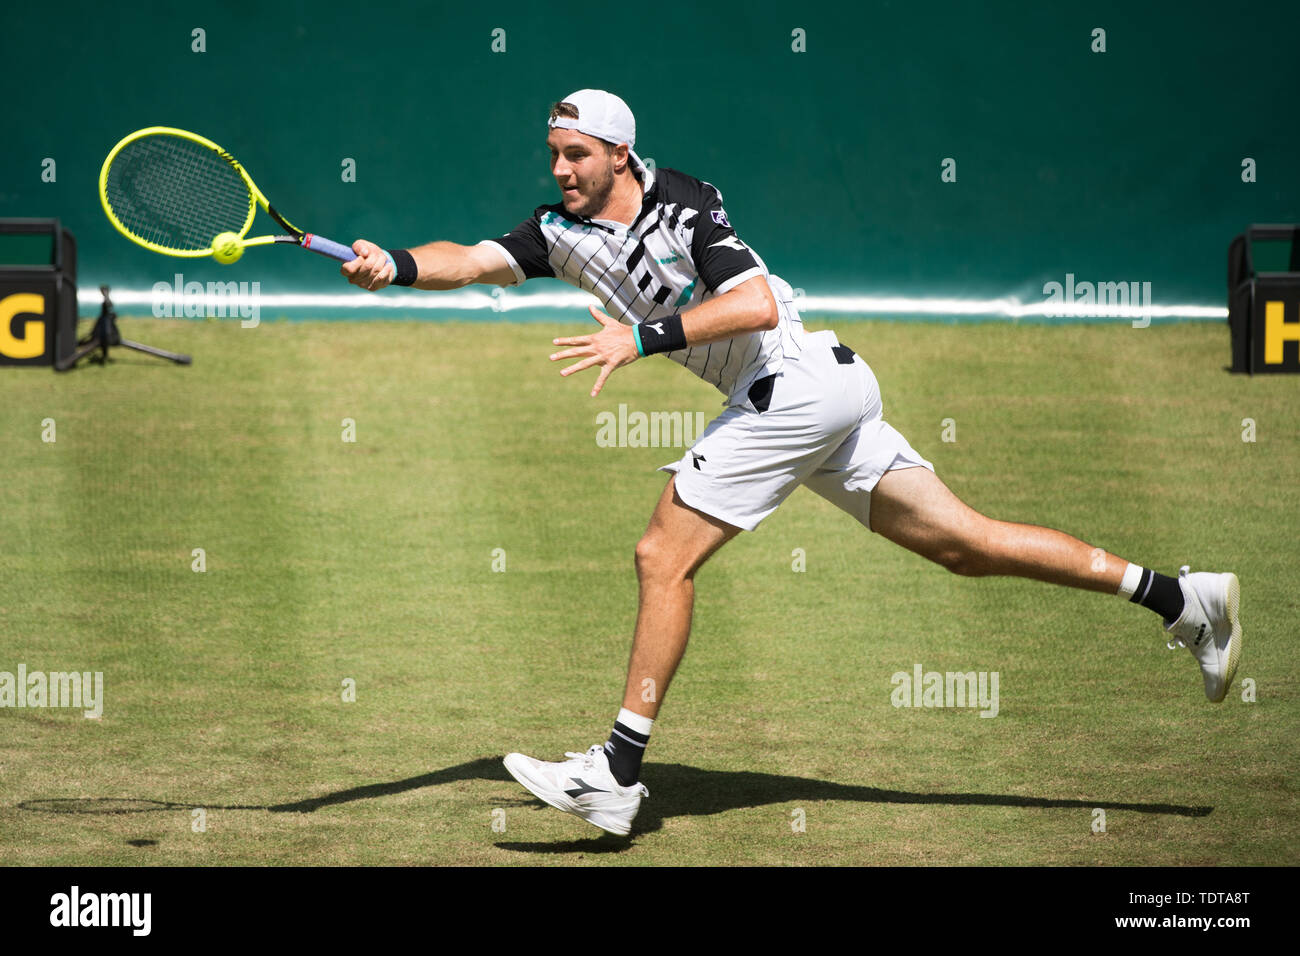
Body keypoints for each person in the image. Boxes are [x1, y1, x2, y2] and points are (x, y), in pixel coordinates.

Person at [340, 89, 1243, 838]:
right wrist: (397, 265)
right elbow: (474, 259)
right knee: (964, 544)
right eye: (553, 154)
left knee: (663, 556)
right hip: (821, 395)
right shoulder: (558, 229)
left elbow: (759, 303)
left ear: (618, 153)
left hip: (797, 386)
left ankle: (615, 775)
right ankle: (1180, 598)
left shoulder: (686, 206)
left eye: (574, 154)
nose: (560, 170)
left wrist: (640, 339)